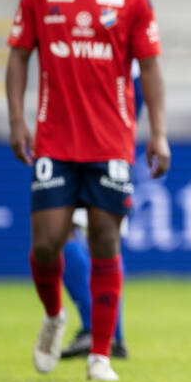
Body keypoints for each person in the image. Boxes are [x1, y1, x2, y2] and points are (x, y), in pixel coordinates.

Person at [6, 0, 170, 382]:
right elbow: (18, 57)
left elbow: (152, 69)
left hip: (111, 143)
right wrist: (18, 119)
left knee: (104, 240)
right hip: (54, 140)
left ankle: (100, 352)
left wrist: (157, 132)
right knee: (45, 245)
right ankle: (55, 315)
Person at [59, 62, 144, 360]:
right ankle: (107, 335)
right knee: (98, 234)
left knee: (66, 230)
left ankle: (100, 332)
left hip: (101, 97)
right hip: (109, 94)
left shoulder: (118, 18)